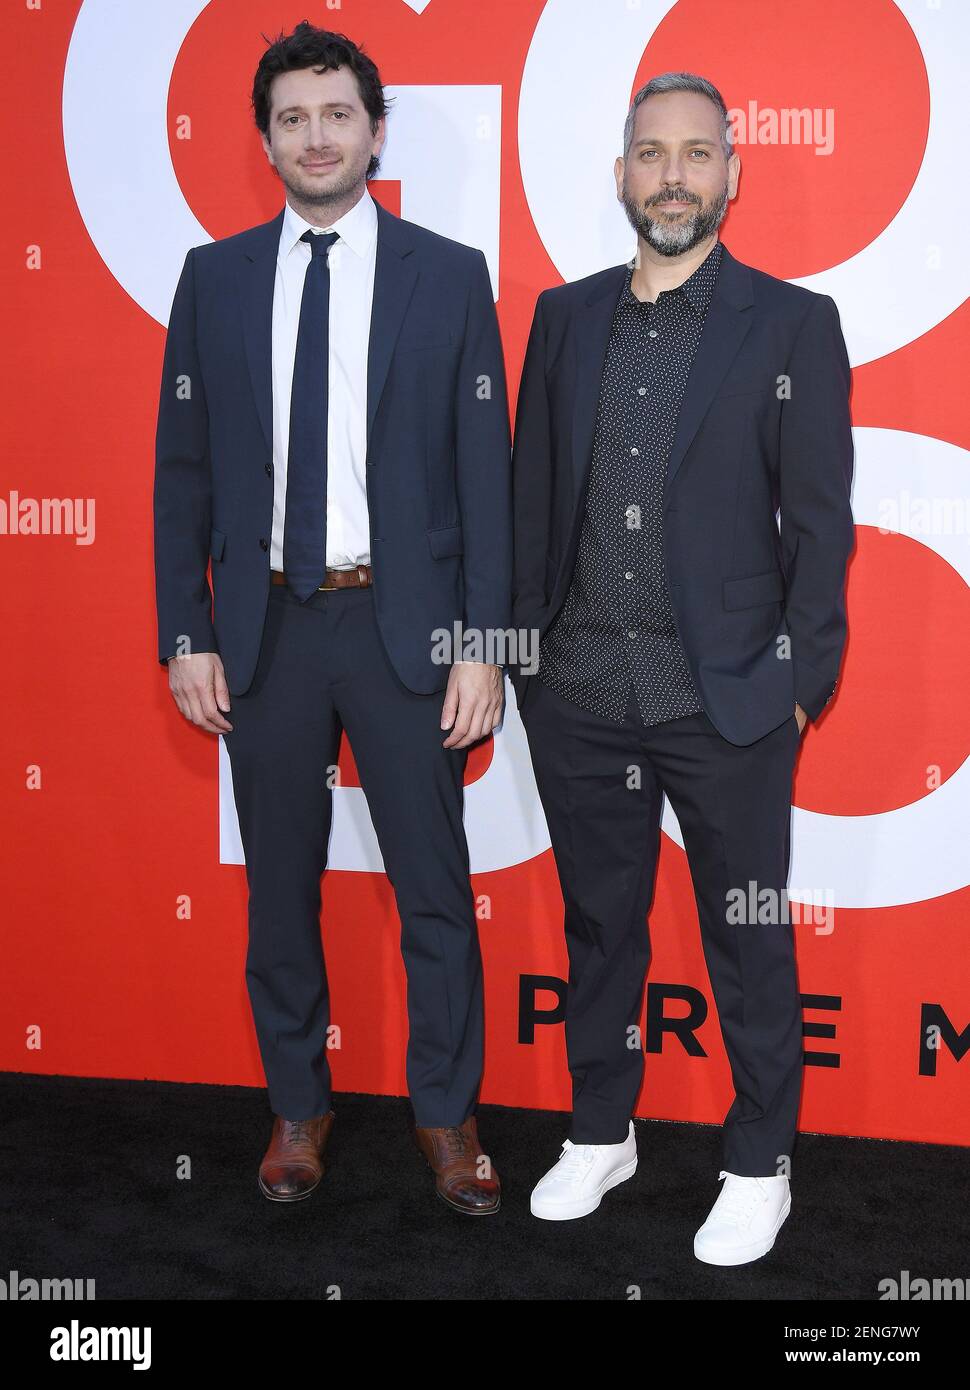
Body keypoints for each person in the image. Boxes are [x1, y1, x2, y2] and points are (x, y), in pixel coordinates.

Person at [153, 22, 511, 1213]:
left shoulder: (450, 272)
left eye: (338, 113)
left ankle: (447, 1117)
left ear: (374, 131)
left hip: (405, 629)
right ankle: (297, 1106)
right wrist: (185, 630)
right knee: (281, 889)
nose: (317, 135)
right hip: (264, 631)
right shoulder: (213, 279)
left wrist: (482, 644)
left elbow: (484, 471)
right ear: (265, 138)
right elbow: (183, 473)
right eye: (294, 116)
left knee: (433, 890)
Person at [510, 71, 854, 1263]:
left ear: (731, 176)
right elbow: (529, 503)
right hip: (580, 690)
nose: (673, 174)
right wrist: (520, 662)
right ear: (619, 175)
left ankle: (760, 1157)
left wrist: (801, 680)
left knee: (746, 930)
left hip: (728, 696)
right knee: (600, 925)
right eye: (650, 152)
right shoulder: (563, 317)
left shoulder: (791, 324)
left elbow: (820, 523)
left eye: (696, 154)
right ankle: (601, 1127)